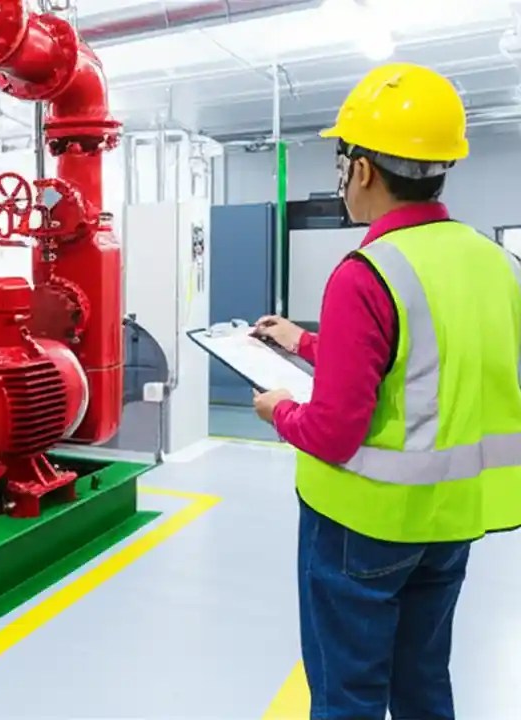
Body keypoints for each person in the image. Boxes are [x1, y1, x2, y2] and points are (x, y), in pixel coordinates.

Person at [251, 62, 521, 720]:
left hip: (361, 526)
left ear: (362, 169)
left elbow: (335, 432)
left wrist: (278, 409)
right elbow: (428, 357)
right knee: (423, 681)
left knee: (349, 694)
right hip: (450, 521)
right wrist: (304, 342)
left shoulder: (365, 273)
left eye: (342, 159)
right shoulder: (496, 262)